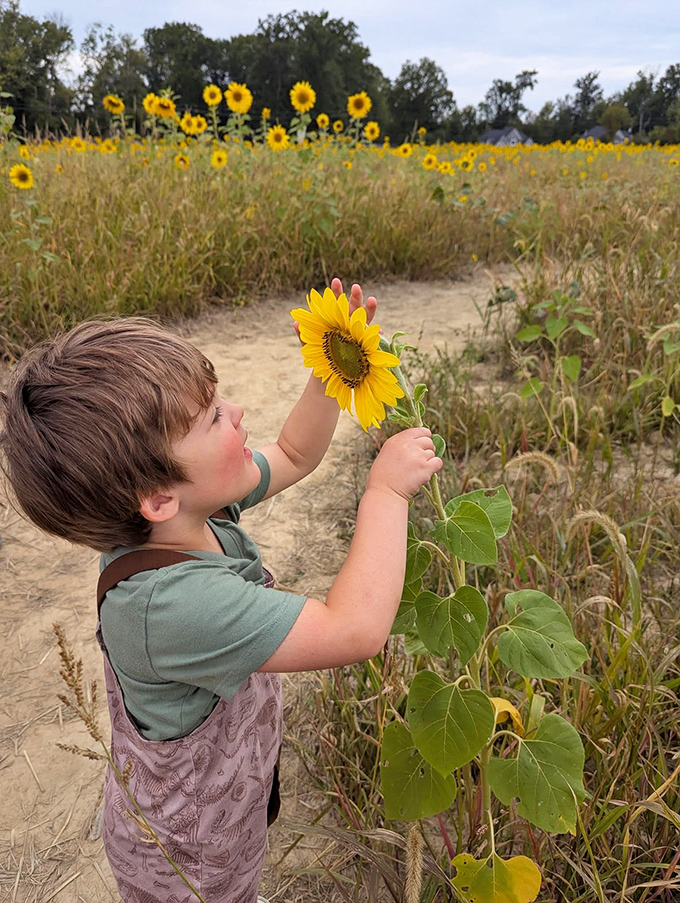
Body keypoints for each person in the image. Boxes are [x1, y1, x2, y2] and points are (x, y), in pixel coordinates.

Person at [0, 278, 442, 903]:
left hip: (224, 803)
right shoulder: (171, 606)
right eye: (212, 415)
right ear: (158, 499)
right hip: (188, 855)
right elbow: (355, 629)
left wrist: (331, 370)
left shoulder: (190, 511)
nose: (236, 410)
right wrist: (385, 493)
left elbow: (292, 452)